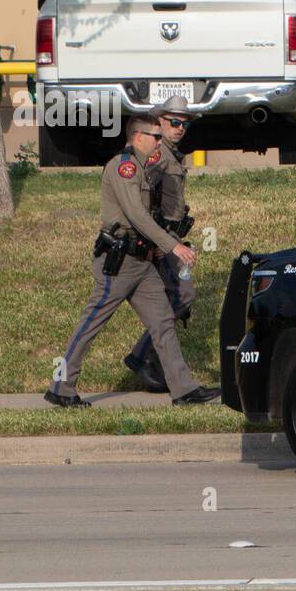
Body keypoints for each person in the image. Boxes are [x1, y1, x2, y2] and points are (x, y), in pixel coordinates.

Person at [45, 114, 219, 407]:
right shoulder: (124, 167)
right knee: (90, 325)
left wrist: (160, 244)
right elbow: (135, 214)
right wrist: (172, 245)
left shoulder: (143, 167)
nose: (159, 141)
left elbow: (149, 215)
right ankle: (61, 386)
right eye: (155, 136)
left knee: (163, 321)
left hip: (140, 262)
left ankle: (184, 390)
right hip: (118, 264)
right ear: (138, 136)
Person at [123, 95, 198, 392]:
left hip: (171, 236)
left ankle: (150, 359)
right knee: (183, 294)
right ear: (159, 123)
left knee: (177, 296)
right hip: (162, 238)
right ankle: (142, 356)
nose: (180, 128)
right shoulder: (156, 156)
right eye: (174, 122)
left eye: (184, 123)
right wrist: (154, 238)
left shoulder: (171, 154)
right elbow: (140, 198)